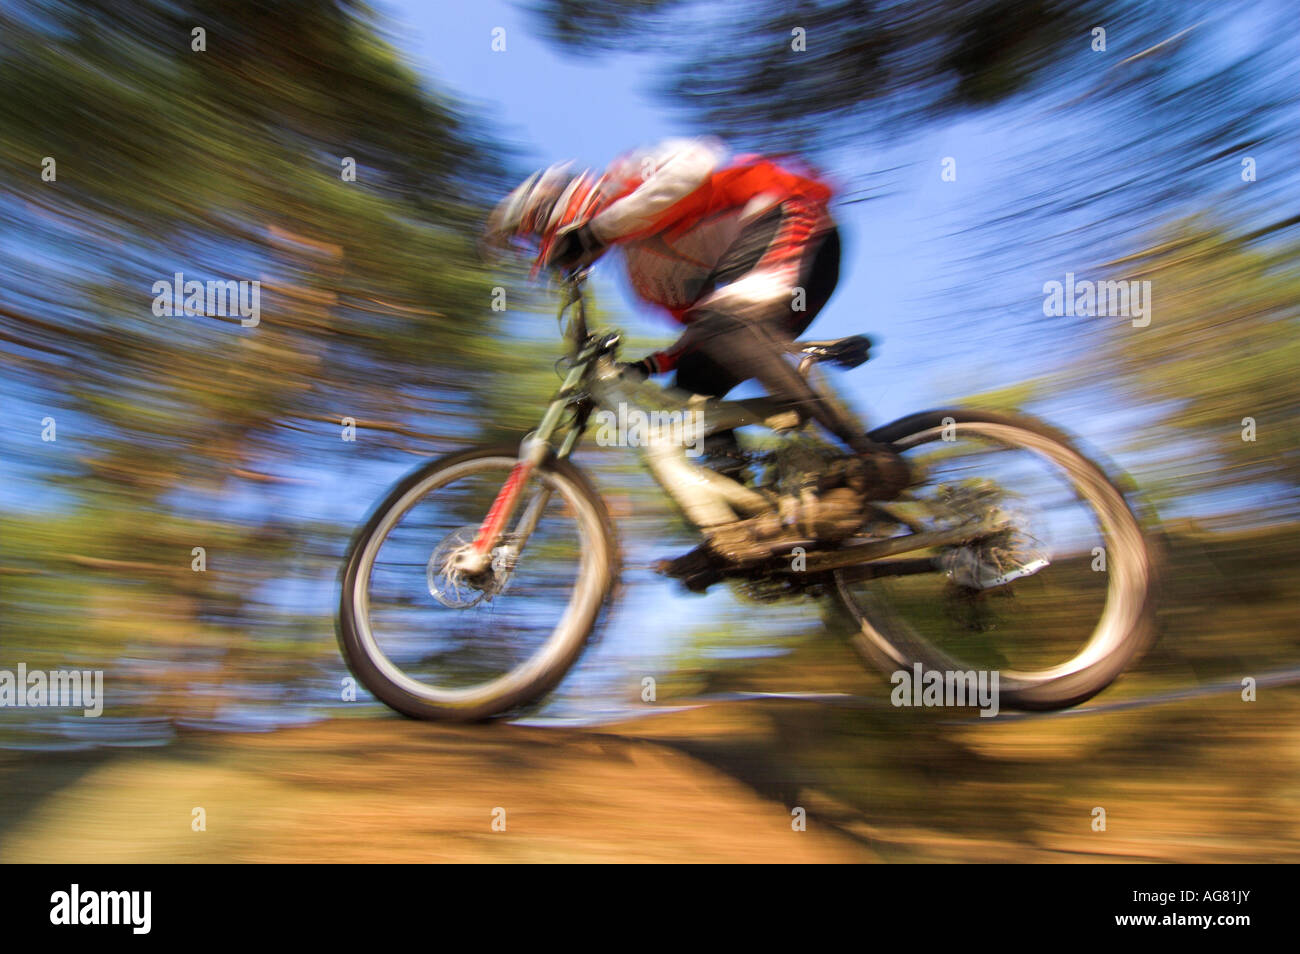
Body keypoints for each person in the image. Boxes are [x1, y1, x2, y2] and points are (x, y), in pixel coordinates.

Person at [484, 137, 908, 498]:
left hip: (789, 217)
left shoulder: (627, 178)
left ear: (557, 209)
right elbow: (701, 335)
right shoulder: (644, 279)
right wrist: (647, 366)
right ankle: (741, 503)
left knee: (726, 320)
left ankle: (867, 450)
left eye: (544, 235)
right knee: (693, 384)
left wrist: (598, 229)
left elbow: (697, 161)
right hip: (770, 292)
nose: (558, 252)